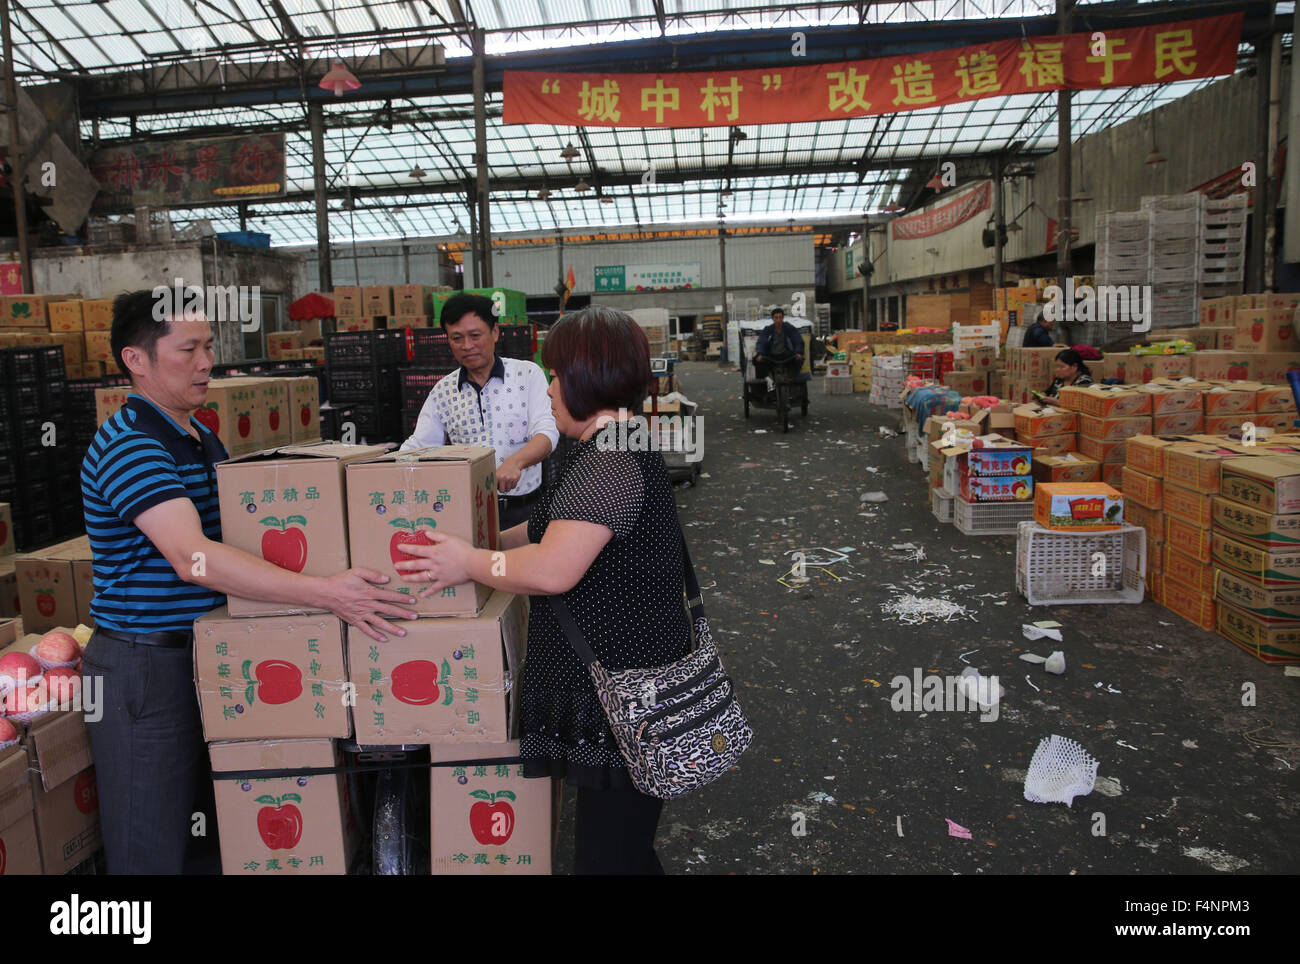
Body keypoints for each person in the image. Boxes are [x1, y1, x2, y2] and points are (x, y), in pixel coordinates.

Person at [80, 289, 415, 875]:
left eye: (209, 345)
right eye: (189, 349)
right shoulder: (131, 443)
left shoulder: (196, 436)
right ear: (137, 360)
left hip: (208, 653)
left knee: (223, 832)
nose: (208, 361)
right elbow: (195, 560)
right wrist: (326, 592)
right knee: (147, 847)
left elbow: (237, 541)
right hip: (145, 670)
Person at [391, 305, 691, 875]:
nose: (550, 390)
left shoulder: (614, 460)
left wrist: (468, 562)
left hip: (627, 687)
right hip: (621, 682)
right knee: (619, 847)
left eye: (556, 376)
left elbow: (553, 568)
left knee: (609, 856)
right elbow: (542, 526)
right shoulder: (605, 448)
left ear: (584, 379)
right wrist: (465, 542)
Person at [401, 293, 559, 530]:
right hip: (468, 513)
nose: (467, 345)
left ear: (494, 332)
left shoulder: (527, 374)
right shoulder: (443, 391)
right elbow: (420, 445)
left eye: (475, 335)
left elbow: (547, 431)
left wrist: (515, 463)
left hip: (524, 511)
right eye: (456, 338)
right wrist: (379, 465)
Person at [752, 307, 804, 381]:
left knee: (799, 360)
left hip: (786, 355)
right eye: (776, 318)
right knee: (757, 360)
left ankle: (792, 379)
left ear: (783, 318)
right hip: (771, 356)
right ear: (773, 319)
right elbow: (761, 342)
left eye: (780, 317)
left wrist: (799, 352)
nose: (778, 320)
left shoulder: (789, 328)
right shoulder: (768, 329)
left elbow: (798, 340)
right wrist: (760, 353)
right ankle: (764, 382)